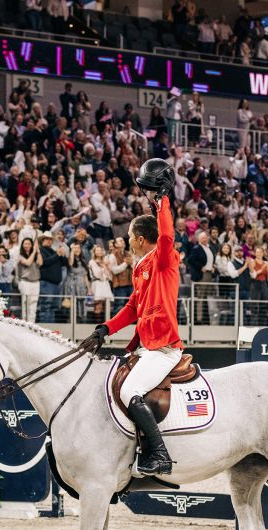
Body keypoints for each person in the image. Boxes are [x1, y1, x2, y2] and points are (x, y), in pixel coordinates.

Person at [80, 159, 182, 476]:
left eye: (129, 237)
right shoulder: (140, 269)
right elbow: (132, 309)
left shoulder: (164, 258)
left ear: (138, 238)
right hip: (145, 346)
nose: (125, 241)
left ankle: (160, 454)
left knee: (128, 391)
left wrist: (162, 201)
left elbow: (166, 236)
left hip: (164, 347)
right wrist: (104, 329)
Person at [16, 236, 41, 321]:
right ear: (22, 245)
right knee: (25, 303)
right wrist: (34, 251)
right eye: (25, 243)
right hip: (25, 282)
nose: (27, 245)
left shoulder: (35, 255)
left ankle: (32, 324)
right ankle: (24, 324)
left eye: (29, 243)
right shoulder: (19, 256)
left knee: (34, 304)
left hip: (36, 282)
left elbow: (40, 263)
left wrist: (38, 251)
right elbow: (28, 263)